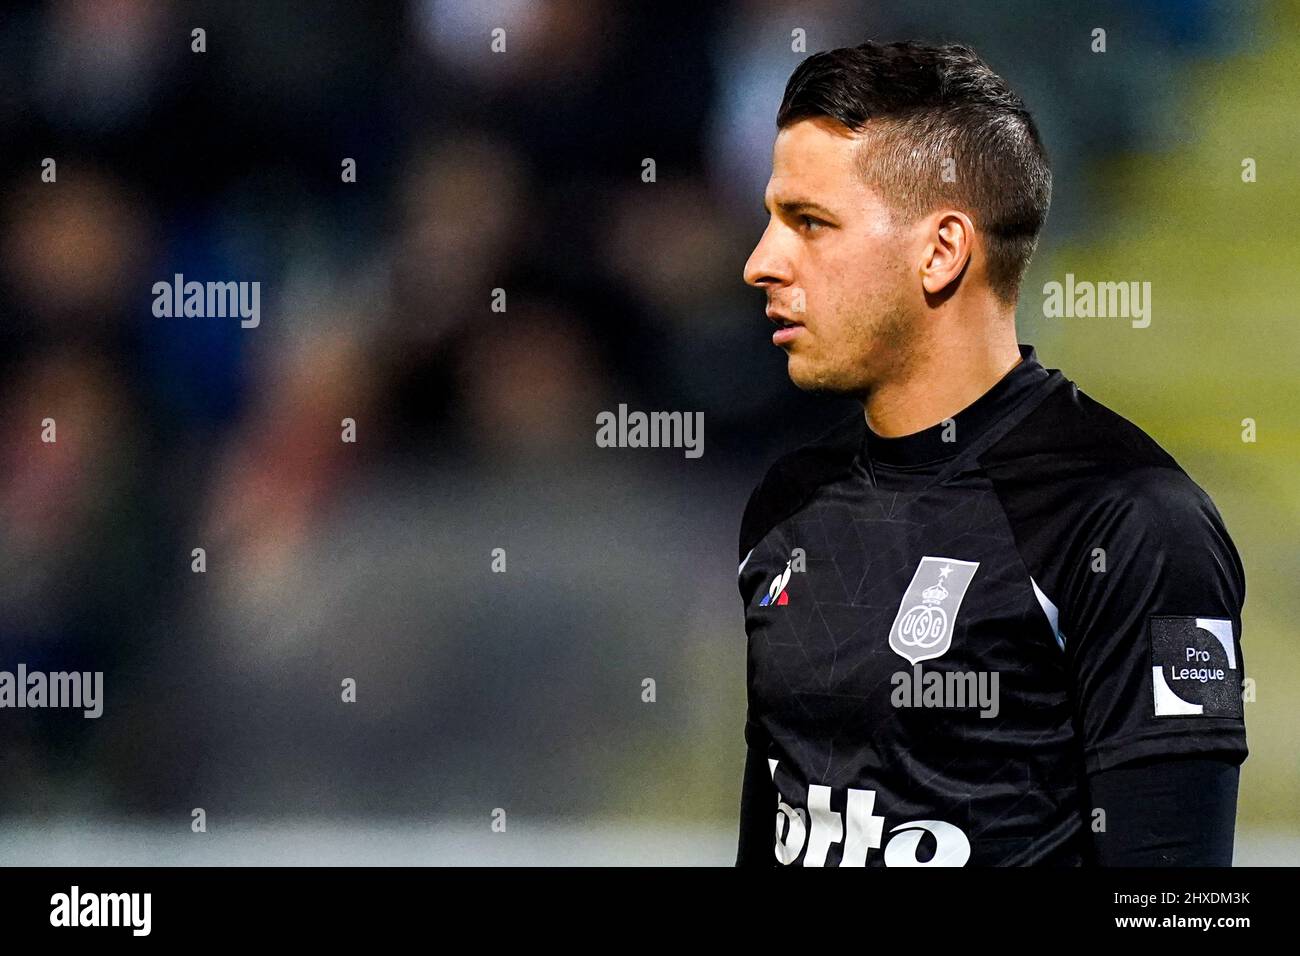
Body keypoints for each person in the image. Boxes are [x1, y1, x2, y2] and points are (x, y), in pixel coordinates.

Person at [736, 40, 1246, 866]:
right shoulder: (787, 507)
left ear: (940, 251)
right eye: (771, 219)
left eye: (809, 223)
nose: (761, 262)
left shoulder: (1134, 522)